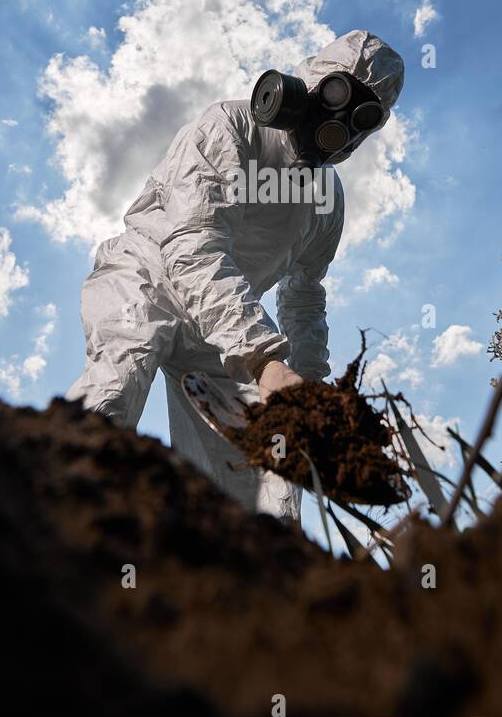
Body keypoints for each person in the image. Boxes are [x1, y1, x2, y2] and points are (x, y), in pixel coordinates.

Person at [65, 29, 405, 521]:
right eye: (334, 94)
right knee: (110, 396)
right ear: (304, 83)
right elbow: (191, 246)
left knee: (271, 491)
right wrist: (267, 361)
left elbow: (304, 298)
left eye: (361, 117)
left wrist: (306, 392)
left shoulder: (326, 202)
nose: (339, 125)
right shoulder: (230, 126)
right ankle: (38, 534)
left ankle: (237, 585)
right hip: (146, 280)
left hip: (222, 338)